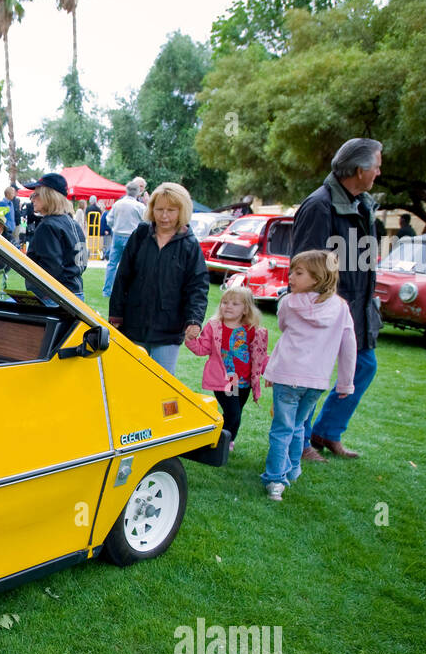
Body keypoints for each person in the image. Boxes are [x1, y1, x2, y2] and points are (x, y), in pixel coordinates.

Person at [291, 137, 383, 462]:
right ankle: (300, 443)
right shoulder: (319, 205)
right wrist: (312, 311)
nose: (379, 172)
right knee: (313, 373)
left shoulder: (363, 204)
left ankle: (326, 432)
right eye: (377, 166)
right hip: (326, 309)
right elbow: (304, 264)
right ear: (359, 169)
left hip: (357, 307)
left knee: (364, 365)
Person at [260, 250, 357, 501]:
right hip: (316, 382)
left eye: (299, 272)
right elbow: (349, 347)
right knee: (297, 425)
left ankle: (275, 480)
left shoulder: (288, 303)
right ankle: (292, 470)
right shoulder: (341, 308)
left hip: (287, 377)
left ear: (317, 278)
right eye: (292, 271)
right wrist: (345, 383)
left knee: (282, 429)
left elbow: (284, 330)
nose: (291, 276)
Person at [108, 181, 208, 375]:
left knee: (160, 388)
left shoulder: (189, 244)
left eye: (171, 210)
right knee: (130, 382)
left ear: (182, 211)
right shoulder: (140, 235)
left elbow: (197, 286)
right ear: (151, 209)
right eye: (159, 209)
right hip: (133, 326)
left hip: (168, 331)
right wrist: (116, 314)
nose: (164, 216)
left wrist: (194, 320)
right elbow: (123, 277)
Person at [184, 284, 268, 451]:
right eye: (225, 302)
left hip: (244, 382)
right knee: (233, 414)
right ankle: (220, 443)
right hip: (226, 380)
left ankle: (226, 439)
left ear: (245, 309)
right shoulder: (214, 326)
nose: (228, 306)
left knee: (235, 414)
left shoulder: (252, 330)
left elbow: (259, 356)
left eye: (235, 304)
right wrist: (190, 339)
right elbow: (203, 349)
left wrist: (269, 373)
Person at [23, 173, 85, 298]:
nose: (32, 199)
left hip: (54, 297)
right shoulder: (72, 223)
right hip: (75, 293)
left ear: (49, 196)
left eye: (35, 194)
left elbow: (51, 268)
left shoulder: (47, 226)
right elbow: (81, 263)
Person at [102, 180, 148, 297]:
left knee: (112, 264)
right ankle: (128, 290)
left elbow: (109, 219)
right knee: (132, 265)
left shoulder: (117, 204)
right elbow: (146, 221)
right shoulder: (139, 206)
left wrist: (115, 227)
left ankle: (107, 291)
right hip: (132, 236)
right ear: (138, 192)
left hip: (117, 235)